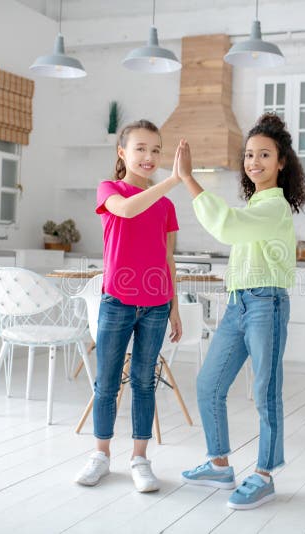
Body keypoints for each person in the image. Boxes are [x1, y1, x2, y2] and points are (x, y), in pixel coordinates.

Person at [176, 113, 305, 509]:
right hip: (239, 304)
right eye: (249, 155)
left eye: (264, 155)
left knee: (265, 391)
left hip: (266, 305)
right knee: (208, 385)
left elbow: (228, 227)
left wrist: (187, 179)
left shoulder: (275, 207)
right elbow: (237, 229)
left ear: (281, 162)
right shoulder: (256, 205)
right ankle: (219, 463)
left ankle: (264, 474)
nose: (254, 162)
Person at [74, 119, 184, 492]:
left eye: (156, 150)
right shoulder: (110, 190)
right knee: (106, 383)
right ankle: (101, 455)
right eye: (141, 148)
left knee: (143, 382)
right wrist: (173, 179)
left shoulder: (167, 207)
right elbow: (125, 211)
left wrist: (174, 305)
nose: (149, 156)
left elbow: (168, 259)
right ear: (123, 153)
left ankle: (140, 459)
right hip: (117, 302)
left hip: (155, 305)